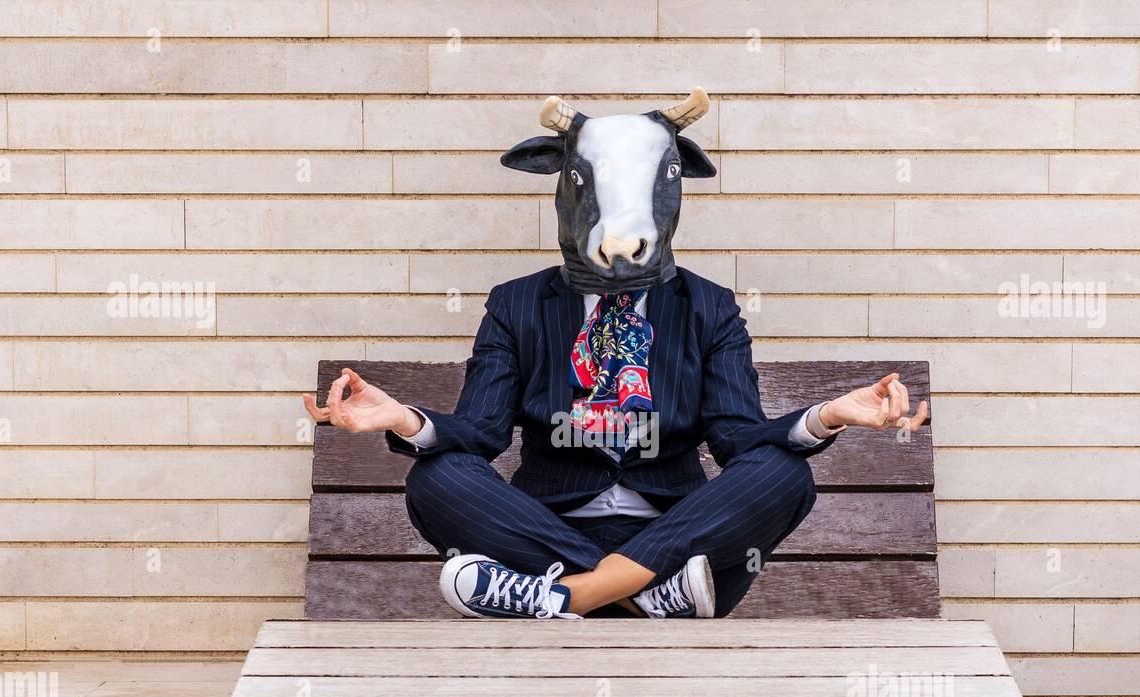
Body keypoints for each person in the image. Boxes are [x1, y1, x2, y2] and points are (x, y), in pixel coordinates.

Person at [303, 89, 926, 621]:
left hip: (677, 530)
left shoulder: (709, 308)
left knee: (784, 472)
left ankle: (560, 598)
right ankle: (647, 597)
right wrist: (406, 420)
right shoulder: (516, 305)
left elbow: (738, 439)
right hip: (554, 530)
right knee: (437, 475)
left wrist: (829, 417)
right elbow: (482, 433)